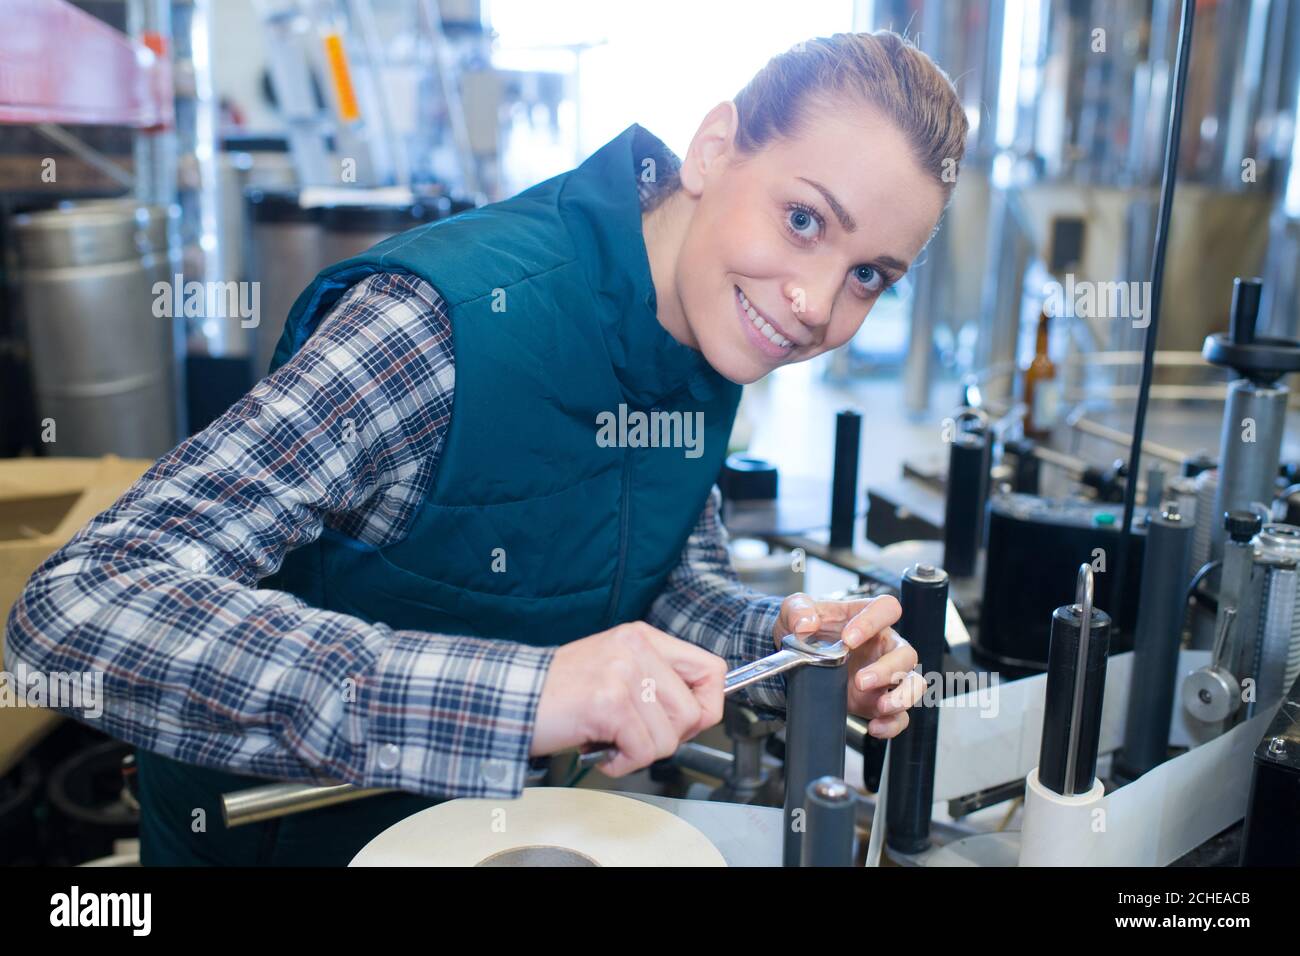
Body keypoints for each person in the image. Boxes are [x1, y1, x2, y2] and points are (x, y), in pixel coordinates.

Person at [4, 31, 968, 865]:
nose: (813, 304)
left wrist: (787, 646)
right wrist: (526, 693)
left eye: (868, 276)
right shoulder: (438, 329)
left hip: (494, 841)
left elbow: (656, 571)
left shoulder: (709, 330)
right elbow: (77, 607)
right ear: (714, 148)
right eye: (803, 219)